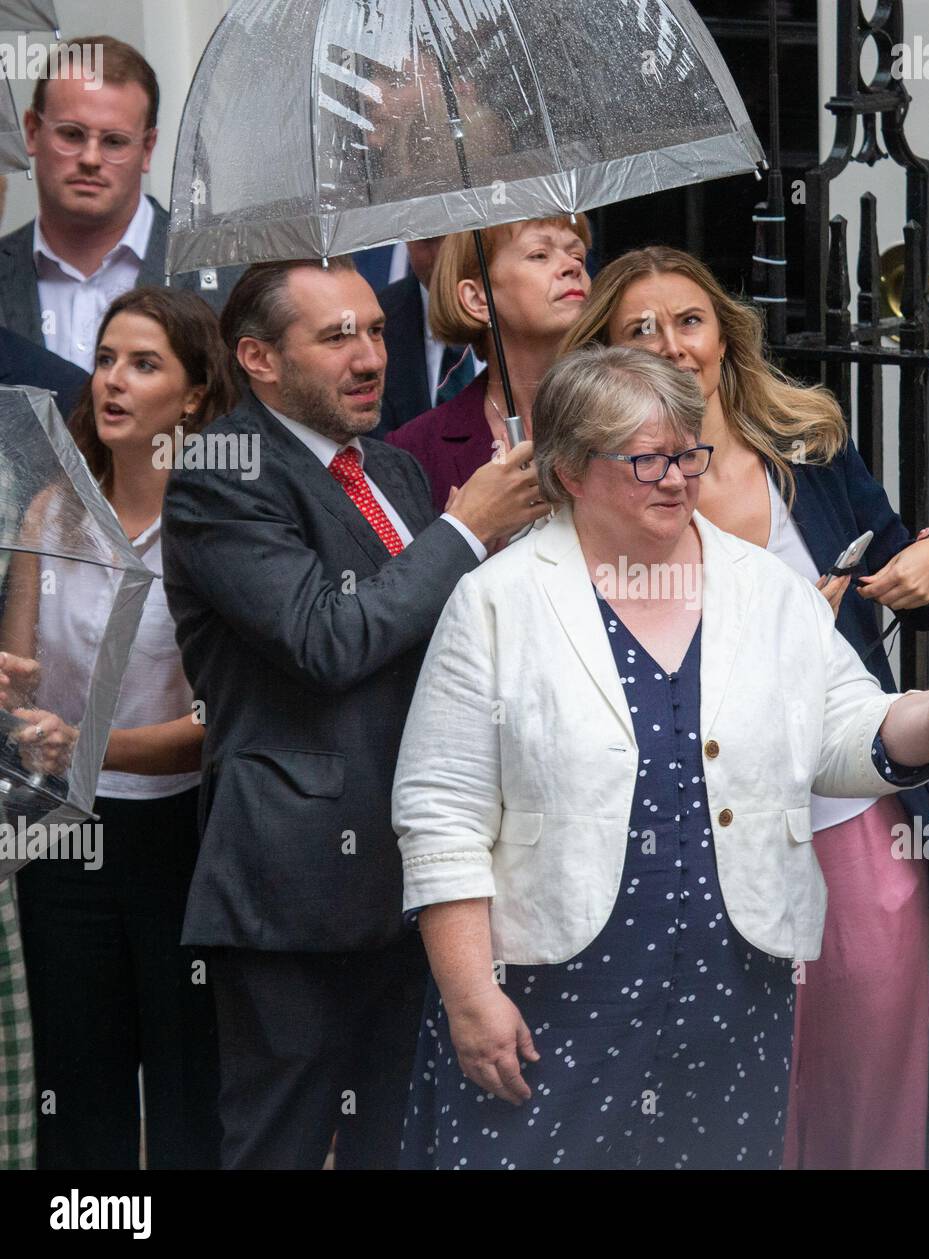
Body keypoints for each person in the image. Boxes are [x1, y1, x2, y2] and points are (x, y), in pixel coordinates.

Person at [392, 345, 929, 1170]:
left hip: (730, 990)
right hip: (550, 992)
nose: (676, 477)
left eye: (687, 453)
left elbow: (846, 730)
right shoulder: (496, 600)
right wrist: (469, 994)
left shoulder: (761, 588)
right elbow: (440, 811)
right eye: (646, 458)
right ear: (569, 471)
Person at [562, 245, 929, 1167]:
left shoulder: (808, 442)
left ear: (723, 333)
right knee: (743, 1094)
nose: (671, 343)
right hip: (705, 829)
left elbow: (910, 570)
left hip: (852, 808)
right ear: (607, 355)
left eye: (689, 320)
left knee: (872, 1077)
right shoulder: (610, 486)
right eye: (641, 329)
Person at [160, 256, 549, 1170]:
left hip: (418, 873)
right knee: (282, 1143)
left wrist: (503, 545)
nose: (369, 355)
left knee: (398, 1141)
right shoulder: (224, 474)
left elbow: (439, 636)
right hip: (295, 885)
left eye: (375, 330)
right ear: (257, 357)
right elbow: (326, 638)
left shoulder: (393, 472)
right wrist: (464, 530)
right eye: (337, 336)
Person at [1, 287, 240, 1169]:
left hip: (179, 834)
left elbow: (220, 721)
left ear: (193, 396)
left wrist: (88, 743)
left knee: (187, 1092)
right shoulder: (49, 515)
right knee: (79, 1090)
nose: (112, 380)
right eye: (105, 358)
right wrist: (17, 700)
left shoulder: (215, 526)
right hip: (62, 837)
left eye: (144, 364)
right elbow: (19, 682)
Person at [0, 35, 240, 369]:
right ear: (31, 131)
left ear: (148, 149)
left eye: (114, 142)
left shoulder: (225, 281)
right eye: (71, 134)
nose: (91, 158)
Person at [386, 214, 591, 512]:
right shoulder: (415, 450)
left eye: (577, 254)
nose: (572, 266)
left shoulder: (636, 411)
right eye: (540, 255)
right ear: (477, 298)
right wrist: (469, 538)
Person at [374, 237, 481, 437]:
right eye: (431, 238)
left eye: (462, 232)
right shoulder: (372, 326)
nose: (448, 254)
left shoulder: (536, 314)